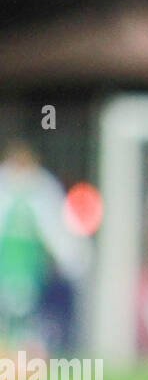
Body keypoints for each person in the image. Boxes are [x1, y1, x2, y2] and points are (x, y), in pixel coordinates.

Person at [0, 140, 87, 353]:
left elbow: (56, 230)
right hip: (6, 261)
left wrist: (72, 258)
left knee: (26, 313)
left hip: (31, 265)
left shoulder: (43, 188)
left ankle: (23, 354)